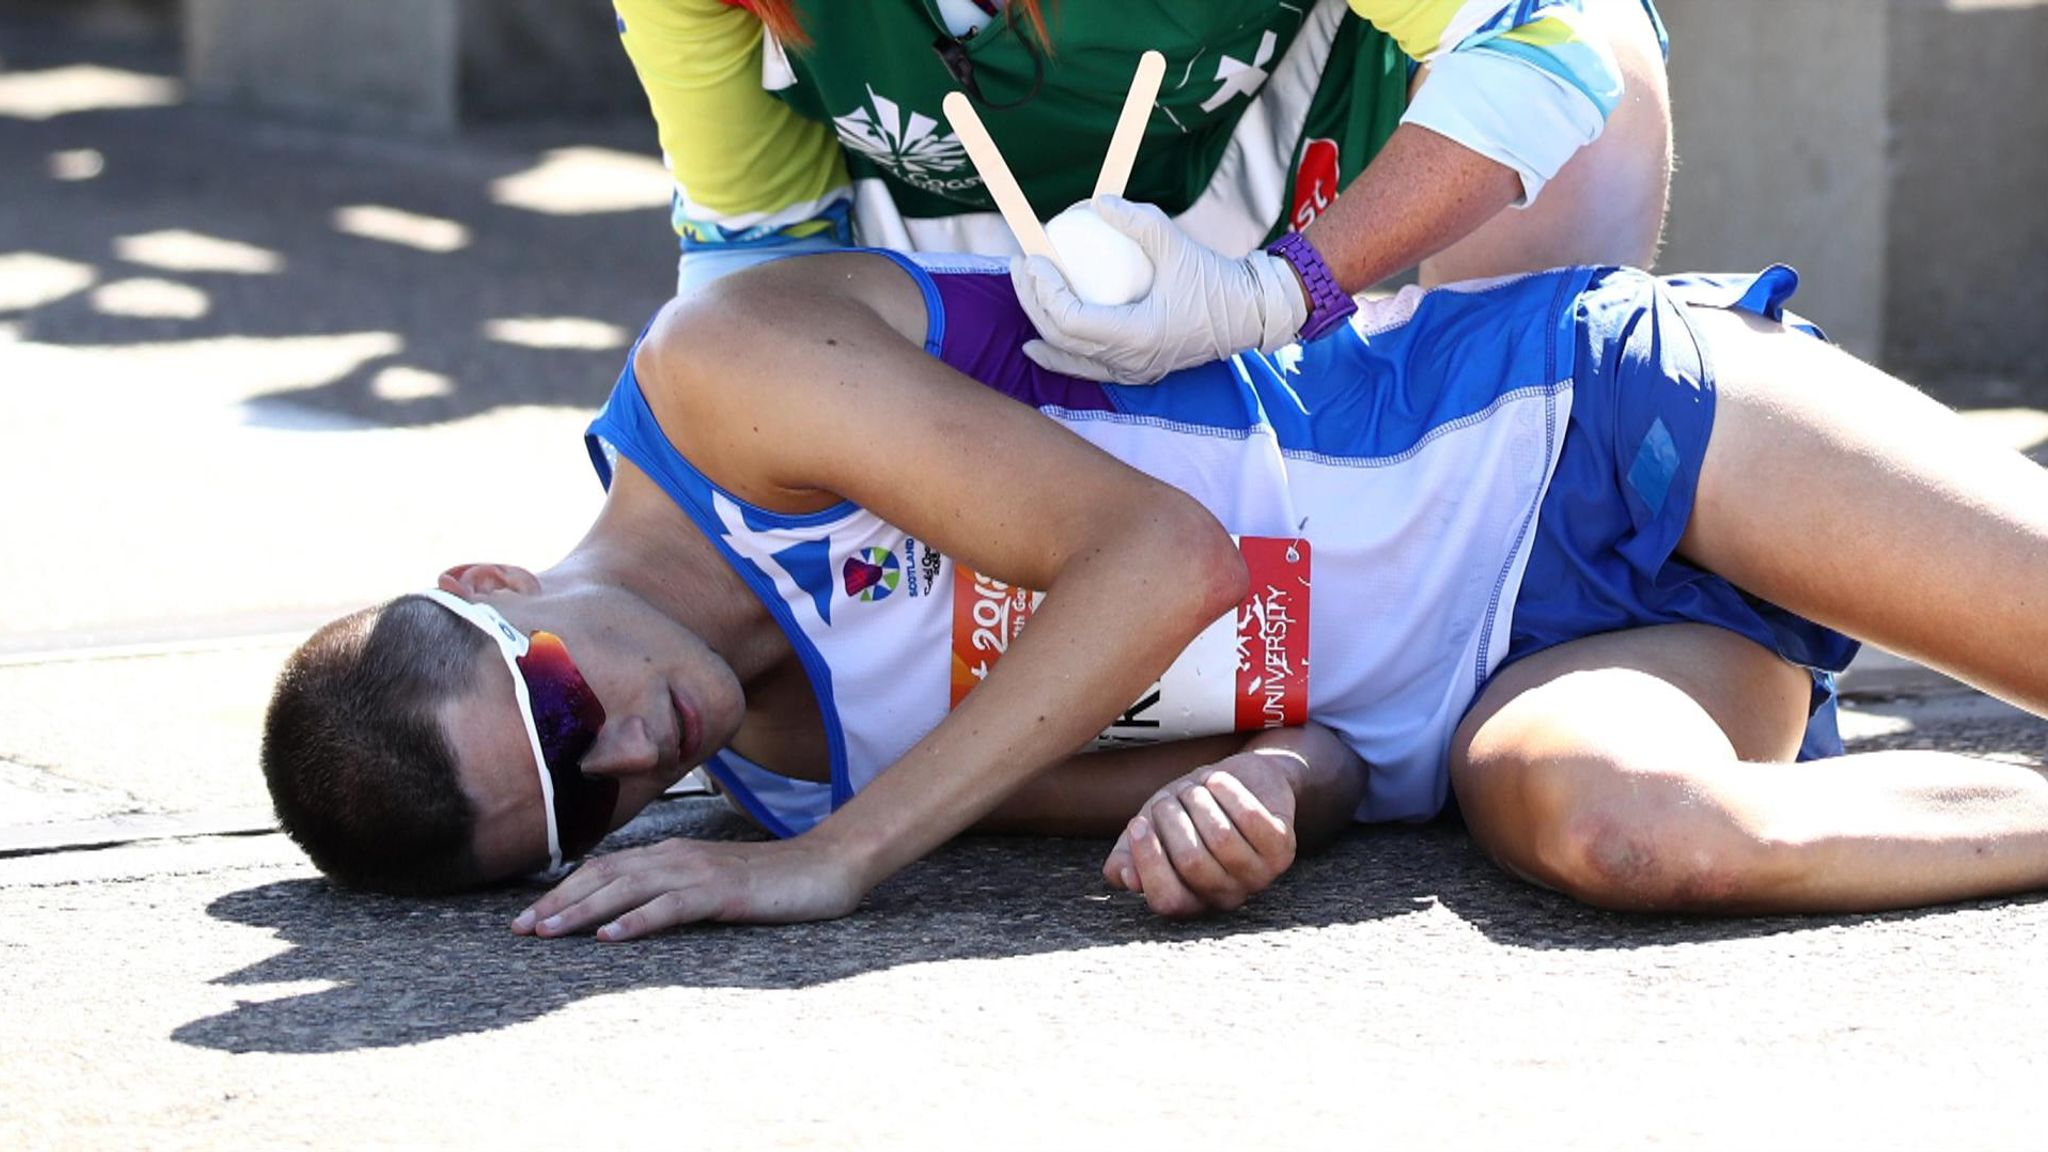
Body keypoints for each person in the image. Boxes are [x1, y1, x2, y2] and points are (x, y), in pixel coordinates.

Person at [261, 248, 2048, 938]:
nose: (625, 753)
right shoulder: (791, 777)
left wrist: (843, 864)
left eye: (556, 706)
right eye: (574, 807)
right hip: (1528, 680)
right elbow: (1322, 754)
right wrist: (1269, 790)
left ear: (492, 583)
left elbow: (1160, 558)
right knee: (1638, 838)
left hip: (1580, 422)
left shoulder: (723, 380)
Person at [619, 0, 1673, 381]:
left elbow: (1547, 43)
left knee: (1605, 90)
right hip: (960, 302)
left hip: (1323, 232)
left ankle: (1543, 514)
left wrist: (1277, 292)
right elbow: (751, 275)